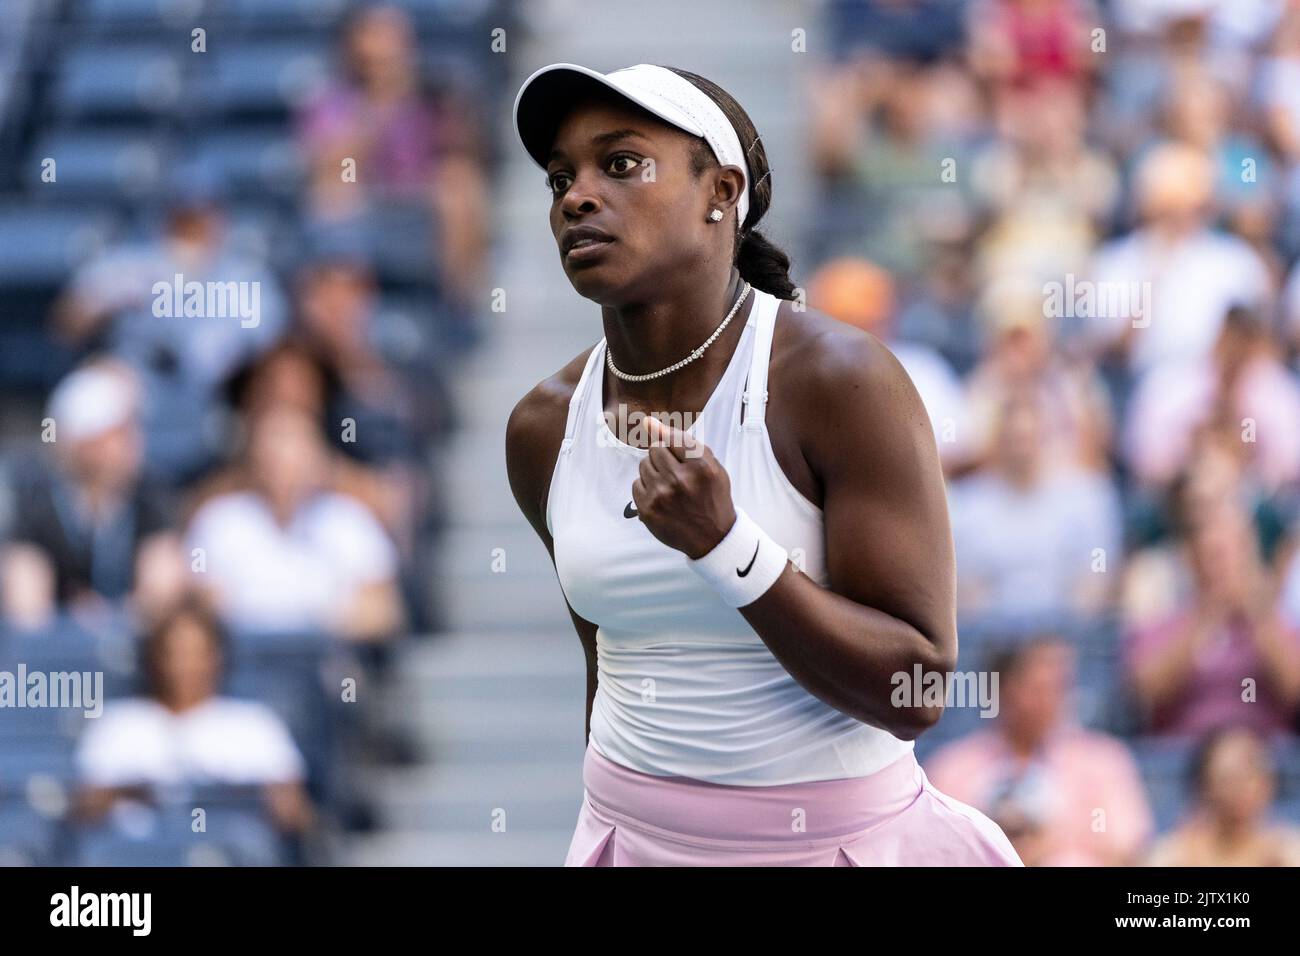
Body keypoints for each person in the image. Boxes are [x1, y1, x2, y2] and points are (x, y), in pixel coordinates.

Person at [506, 62, 1021, 866]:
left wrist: (727, 550)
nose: (576, 197)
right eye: (560, 178)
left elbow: (915, 691)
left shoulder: (840, 381)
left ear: (721, 190)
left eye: (621, 163)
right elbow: (609, 669)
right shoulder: (542, 426)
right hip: (626, 837)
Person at [74, 595, 313, 834]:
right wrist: (137, 791)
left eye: (196, 652)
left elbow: (295, 813)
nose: (184, 664)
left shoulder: (255, 724)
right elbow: (86, 808)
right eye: (174, 652)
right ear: (154, 656)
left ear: (216, 657)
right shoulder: (117, 724)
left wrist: (236, 795)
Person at [925, 636, 1154, 866]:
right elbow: (932, 851)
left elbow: (1128, 849)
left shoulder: (1103, 762)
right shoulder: (953, 768)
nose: (1050, 700)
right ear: (1001, 691)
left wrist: (1051, 847)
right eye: (1036, 688)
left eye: (1058, 687)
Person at [184, 405, 403, 642]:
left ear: (317, 455)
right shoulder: (217, 520)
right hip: (240, 660)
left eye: (294, 447)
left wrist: (316, 623)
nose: (283, 461)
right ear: (253, 455)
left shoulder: (349, 520)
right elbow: (199, 600)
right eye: (273, 447)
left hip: (325, 661)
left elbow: (385, 611)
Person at [0, 360, 184, 630]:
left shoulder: (150, 491)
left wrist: (112, 619)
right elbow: (26, 608)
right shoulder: (34, 496)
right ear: (84, 442)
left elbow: (164, 592)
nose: (134, 441)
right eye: (119, 432)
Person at [1146, 725, 1300, 866]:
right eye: (1228, 778)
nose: (1240, 788)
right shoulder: (1173, 854)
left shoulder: (1288, 851)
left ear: (1268, 782)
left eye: (1250, 775)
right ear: (1205, 784)